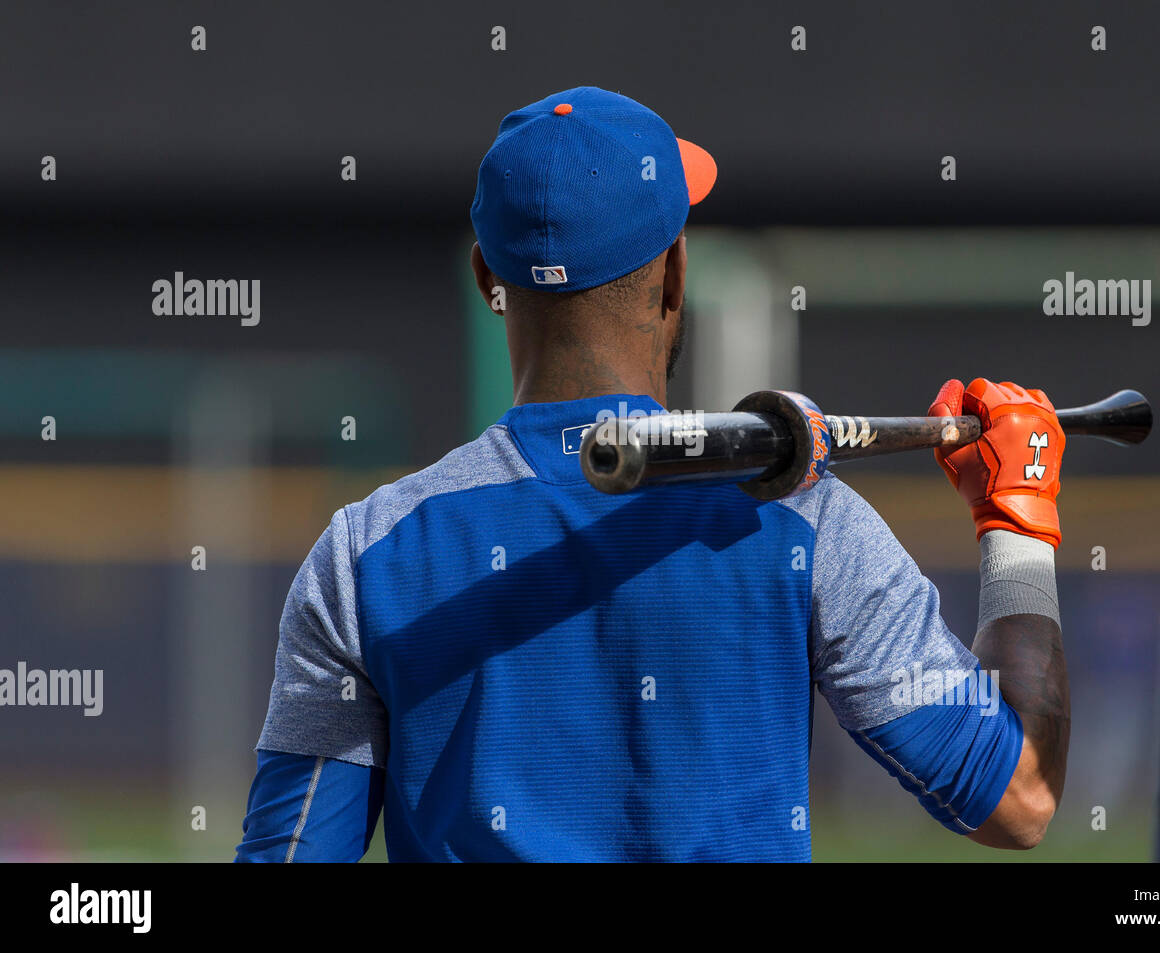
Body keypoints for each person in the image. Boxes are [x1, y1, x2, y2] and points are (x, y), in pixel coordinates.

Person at [235, 86, 1068, 862]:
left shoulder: (363, 554)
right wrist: (1018, 519)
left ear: (489, 277)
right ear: (675, 274)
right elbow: (1019, 796)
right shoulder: (797, 517)